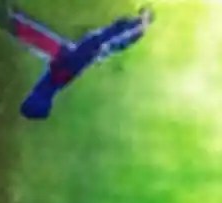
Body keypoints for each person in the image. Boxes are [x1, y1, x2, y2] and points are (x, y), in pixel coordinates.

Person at [8, 5, 153, 120]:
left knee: (97, 43)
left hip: (68, 64)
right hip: (68, 65)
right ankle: (137, 26)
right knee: (97, 43)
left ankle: (17, 24)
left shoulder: (44, 90)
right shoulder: (43, 92)